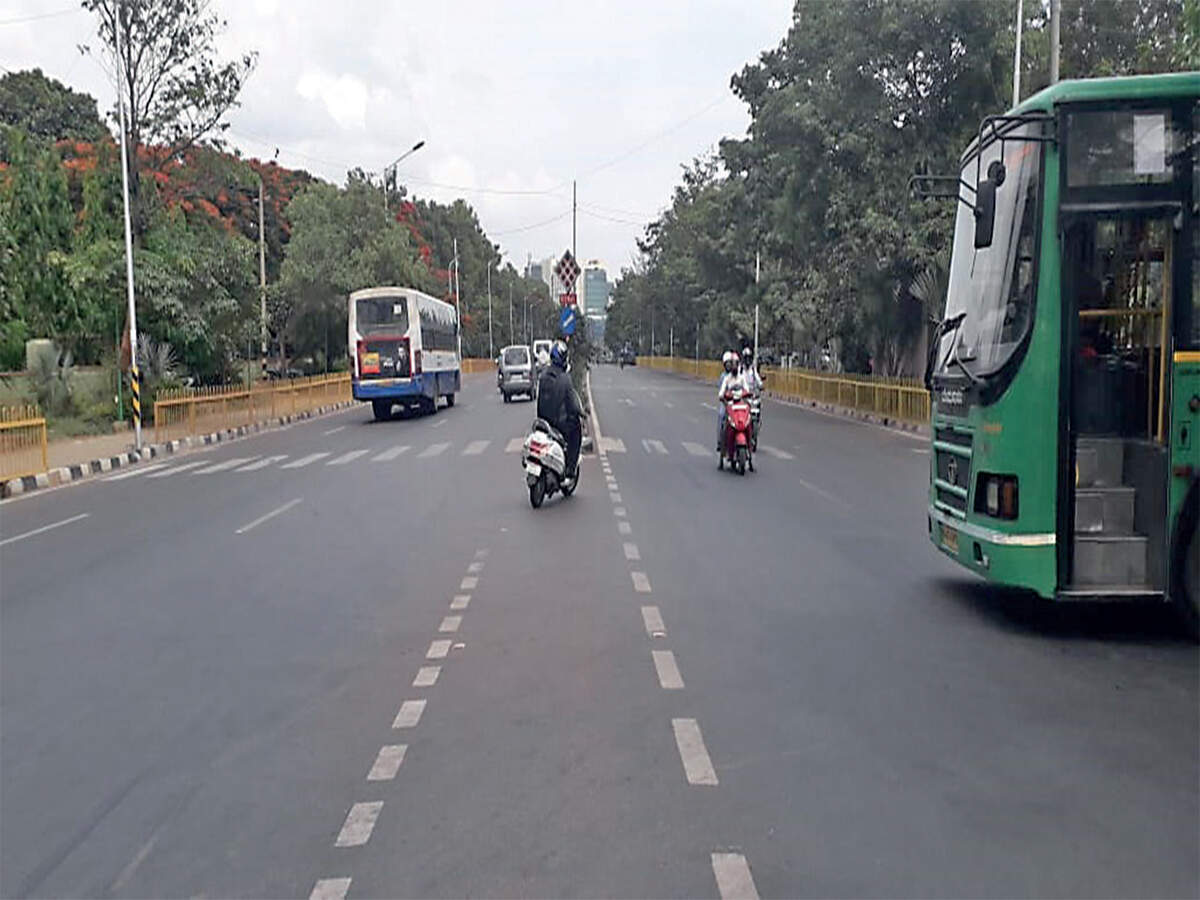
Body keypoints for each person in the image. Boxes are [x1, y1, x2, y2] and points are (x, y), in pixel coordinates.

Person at [536, 340, 583, 478]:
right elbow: (572, 404)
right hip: (559, 424)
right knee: (576, 430)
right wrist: (580, 413)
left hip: (542, 421)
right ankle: (570, 468)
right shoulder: (565, 379)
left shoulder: (543, 376)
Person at [716, 350, 739, 452]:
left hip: (737, 402)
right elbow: (721, 390)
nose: (730, 366)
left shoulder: (739, 376)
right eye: (728, 364)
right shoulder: (723, 377)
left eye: (731, 363)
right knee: (721, 415)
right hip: (726, 403)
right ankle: (720, 441)